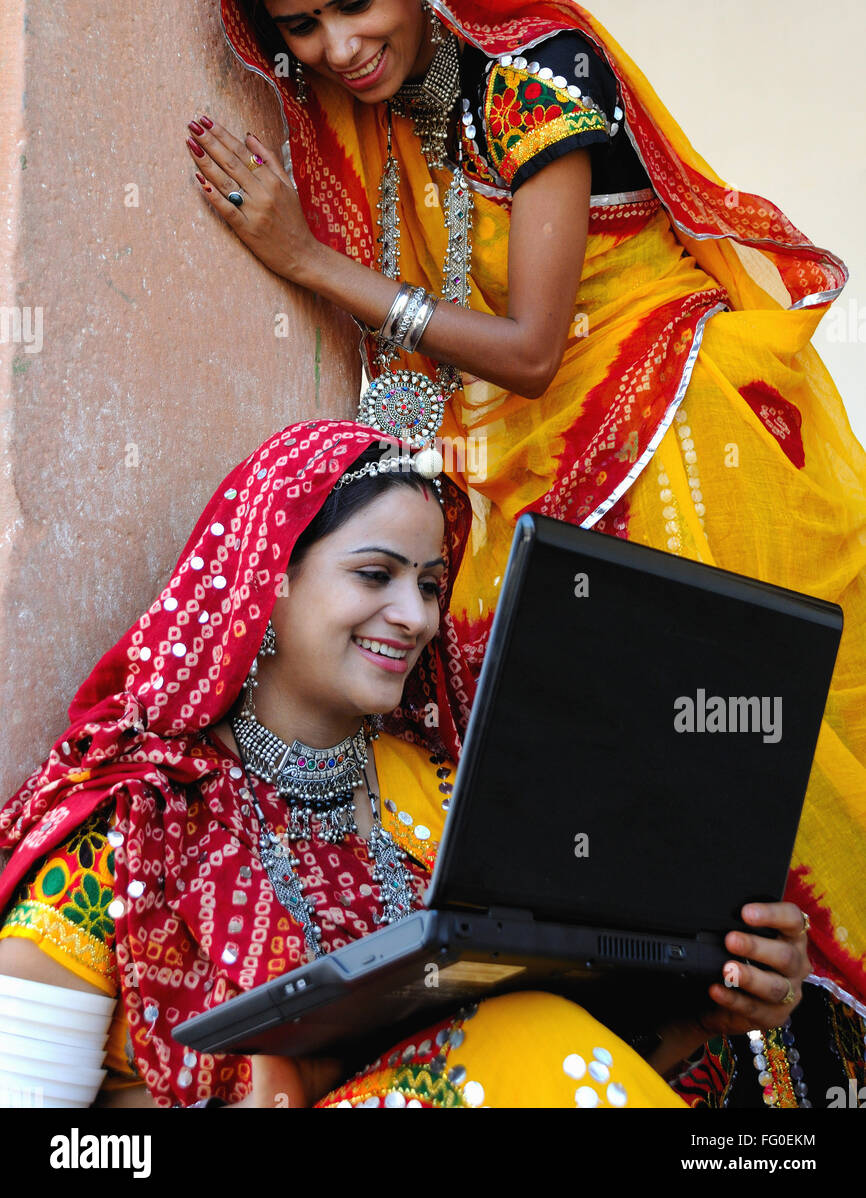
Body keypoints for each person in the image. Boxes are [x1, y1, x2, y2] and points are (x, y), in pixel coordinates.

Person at [180, 0, 866, 1105]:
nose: (340, 47)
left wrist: (303, 259)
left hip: (667, 423)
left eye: (354, 1)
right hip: (537, 461)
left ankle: (781, 1062)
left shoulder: (535, 70)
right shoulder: (379, 133)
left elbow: (535, 348)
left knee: (738, 755)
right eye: (304, 29)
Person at [0, 421, 813, 1108]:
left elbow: (561, 1064)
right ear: (265, 583)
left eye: (429, 584)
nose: (416, 615)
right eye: (375, 575)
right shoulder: (137, 820)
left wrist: (700, 1012)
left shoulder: (457, 793)